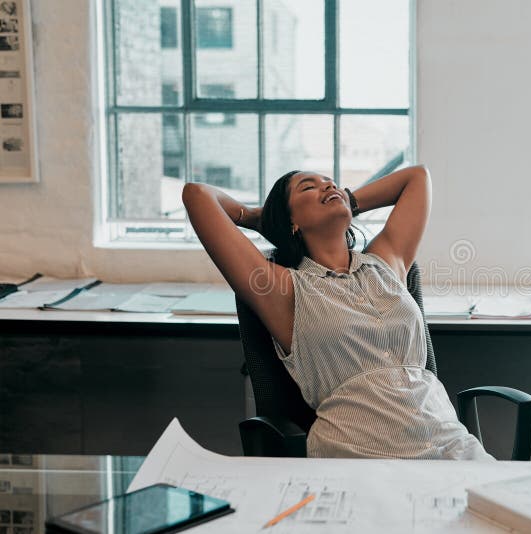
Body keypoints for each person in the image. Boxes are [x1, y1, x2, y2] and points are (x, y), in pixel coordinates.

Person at [182, 165, 493, 460]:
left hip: (450, 444)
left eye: (330, 181)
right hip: (360, 455)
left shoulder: (386, 263)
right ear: (293, 221)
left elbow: (417, 177)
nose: (328, 185)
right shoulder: (282, 290)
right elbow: (197, 195)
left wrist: (345, 199)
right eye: (309, 187)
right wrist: (254, 217)